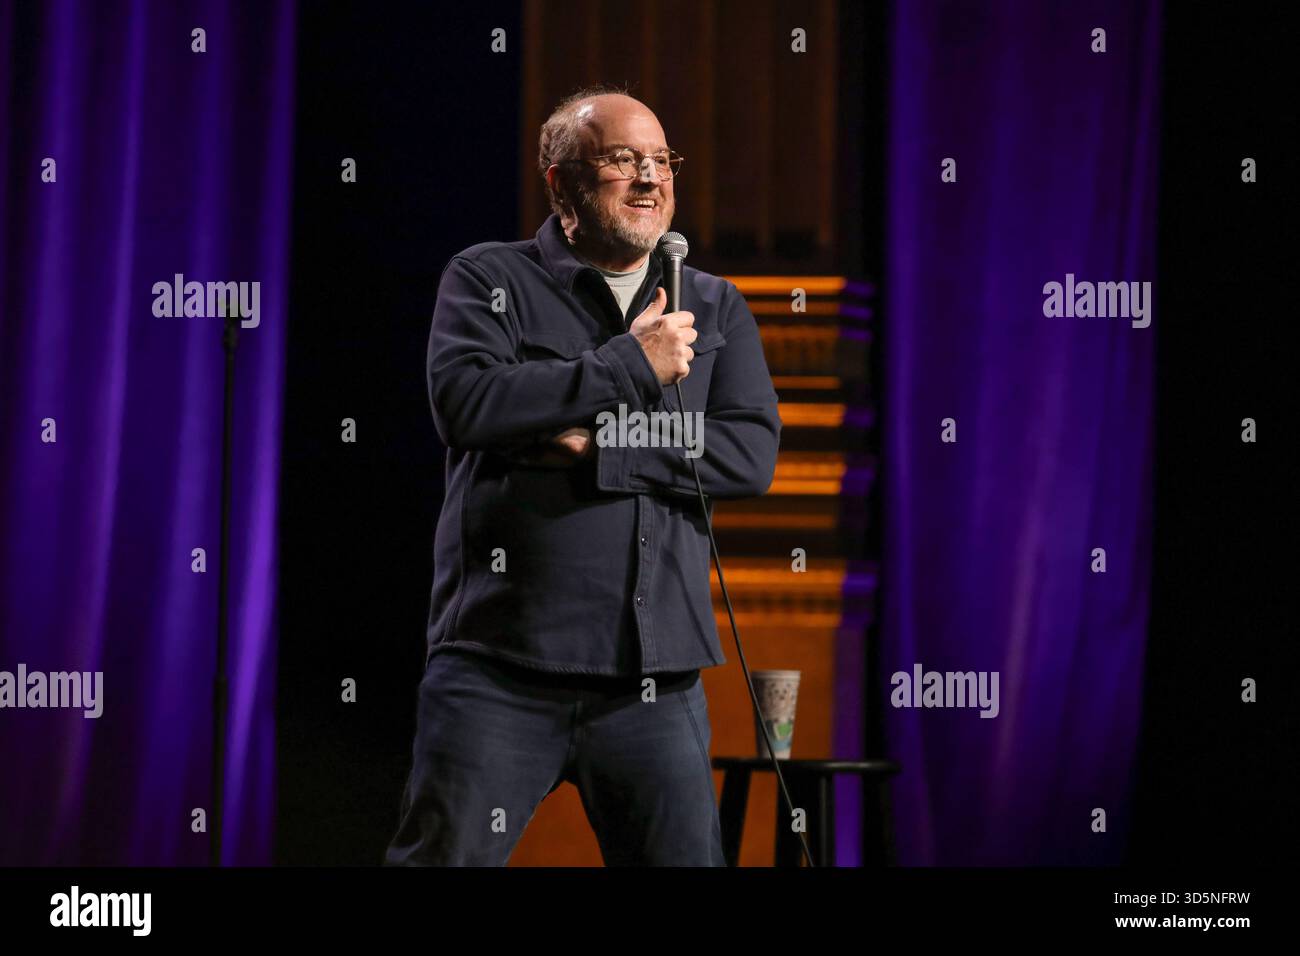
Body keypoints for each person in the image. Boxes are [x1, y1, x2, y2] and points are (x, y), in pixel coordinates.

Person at [383, 85, 781, 866]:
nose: (649, 178)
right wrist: (630, 363)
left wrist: (602, 448)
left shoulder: (716, 306)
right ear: (561, 181)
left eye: (661, 160)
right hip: (500, 669)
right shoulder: (490, 278)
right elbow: (469, 404)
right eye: (622, 160)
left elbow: (748, 454)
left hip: (655, 680)